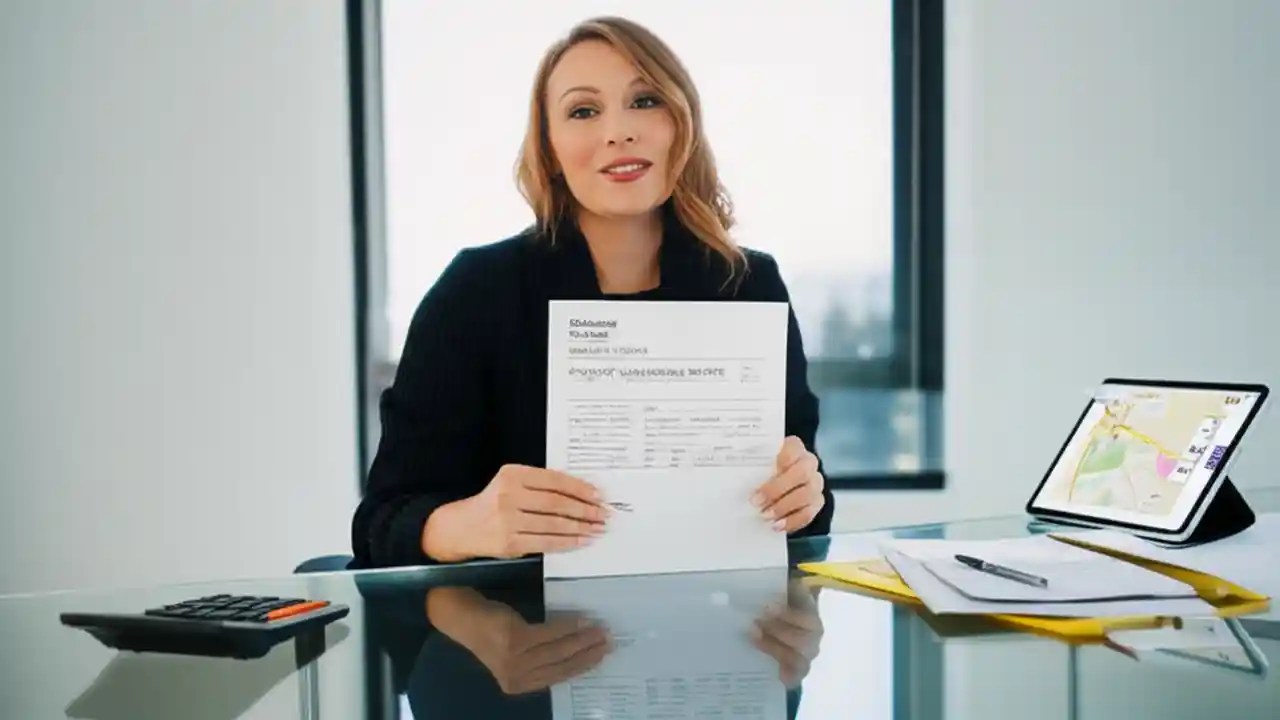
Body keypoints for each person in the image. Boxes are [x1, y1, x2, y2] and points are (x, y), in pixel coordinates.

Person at [351, 16, 834, 569]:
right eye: (583, 111)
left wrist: (803, 497)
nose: (618, 132)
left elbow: (807, 518)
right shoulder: (475, 291)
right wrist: (468, 527)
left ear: (682, 123)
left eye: (645, 101)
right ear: (550, 147)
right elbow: (379, 524)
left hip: (714, 608)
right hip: (507, 618)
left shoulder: (748, 284)